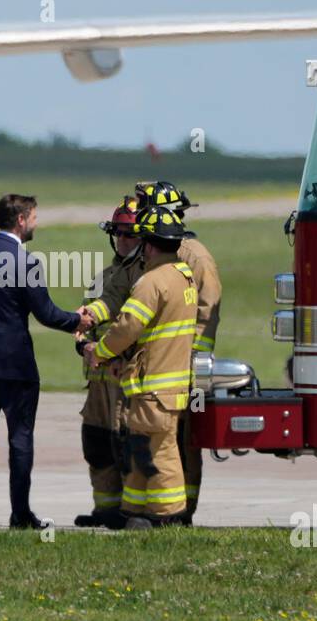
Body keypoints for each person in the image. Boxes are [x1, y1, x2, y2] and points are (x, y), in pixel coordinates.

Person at [0, 194, 93, 530]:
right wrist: (77, 321)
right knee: (20, 438)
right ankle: (20, 513)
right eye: (35, 217)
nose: (37, 224)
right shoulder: (24, 261)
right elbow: (45, 313)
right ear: (21, 220)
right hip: (14, 364)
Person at [85, 206, 198, 529]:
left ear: (148, 246)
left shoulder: (152, 282)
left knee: (159, 452)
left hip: (154, 386)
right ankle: (134, 511)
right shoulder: (183, 276)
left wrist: (100, 350)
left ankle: (166, 515)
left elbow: (127, 326)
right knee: (142, 451)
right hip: (165, 386)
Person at [134, 181, 222, 524]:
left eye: (144, 206)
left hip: (185, 369)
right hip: (158, 366)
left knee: (184, 439)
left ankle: (184, 510)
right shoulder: (155, 249)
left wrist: (192, 364)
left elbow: (208, 311)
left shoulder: (194, 255)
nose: (138, 212)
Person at [74, 196, 143, 529]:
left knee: (126, 444)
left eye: (129, 234)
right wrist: (82, 340)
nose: (122, 240)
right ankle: (105, 509)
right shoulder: (103, 277)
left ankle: (131, 512)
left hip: (125, 380)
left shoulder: (145, 279)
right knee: (97, 443)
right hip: (97, 382)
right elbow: (88, 318)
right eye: (118, 233)